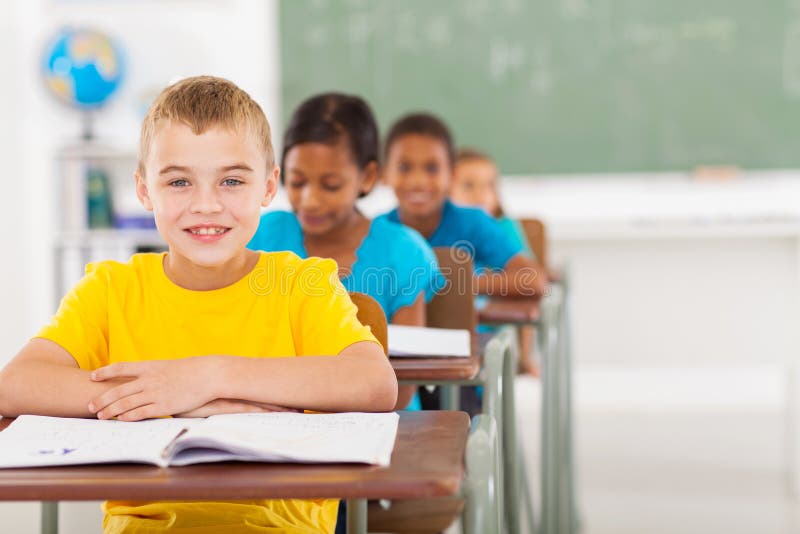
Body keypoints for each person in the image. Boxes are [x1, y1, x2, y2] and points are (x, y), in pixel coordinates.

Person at [0, 76, 397, 534]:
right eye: (179, 181)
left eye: (231, 181)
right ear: (144, 190)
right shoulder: (110, 289)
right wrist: (173, 400)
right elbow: (15, 385)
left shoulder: (301, 284)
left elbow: (374, 383)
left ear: (269, 187)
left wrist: (208, 377)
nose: (206, 205)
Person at [248, 93, 443, 410]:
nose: (310, 200)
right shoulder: (259, 235)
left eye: (331, 185)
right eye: (297, 182)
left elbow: (403, 385)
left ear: (367, 177)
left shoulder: (403, 252)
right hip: (268, 419)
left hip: (380, 424)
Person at [379, 112, 548, 298]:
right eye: (404, 168)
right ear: (384, 174)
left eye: (432, 168)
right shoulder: (375, 232)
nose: (418, 181)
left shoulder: (474, 223)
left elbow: (534, 280)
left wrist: (455, 284)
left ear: (452, 174)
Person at [451, 147, 539, 375]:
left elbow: (528, 289)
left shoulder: (504, 229)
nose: (480, 195)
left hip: (489, 335)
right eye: (468, 185)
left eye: (489, 185)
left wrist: (525, 357)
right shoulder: (447, 229)